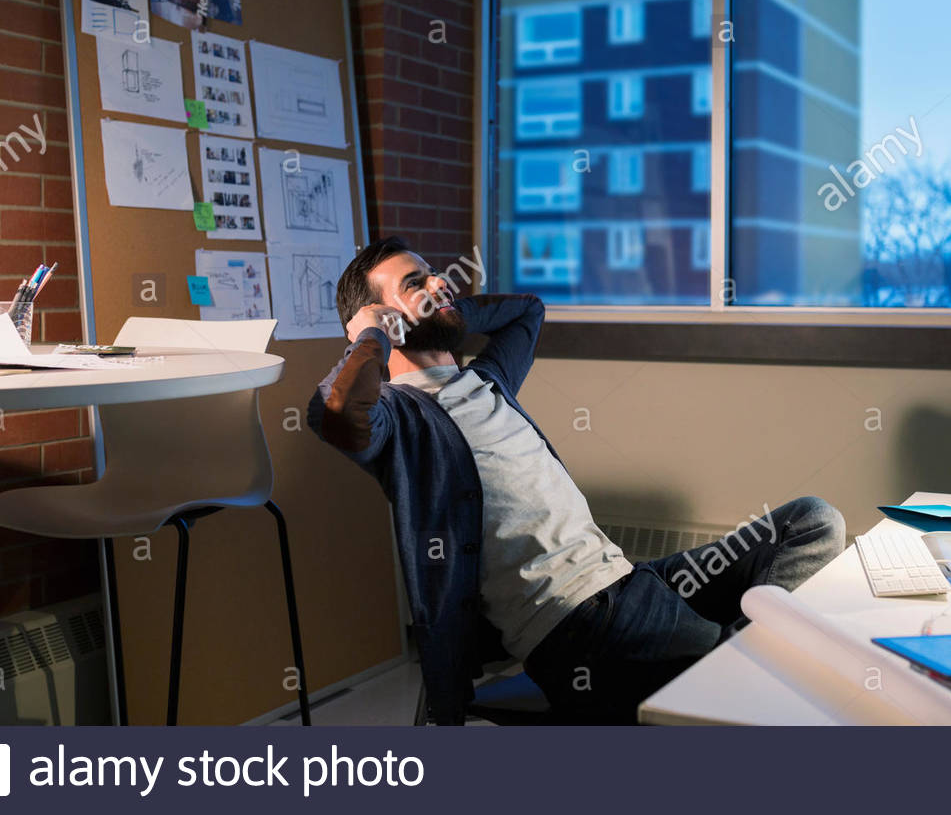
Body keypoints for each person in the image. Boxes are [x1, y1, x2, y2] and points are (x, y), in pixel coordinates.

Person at [307, 237, 845, 723]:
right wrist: (373, 337)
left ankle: (737, 664)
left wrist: (440, 306)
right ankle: (738, 675)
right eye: (414, 283)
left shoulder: (486, 380)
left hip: (630, 582)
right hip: (581, 623)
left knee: (811, 520)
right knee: (775, 688)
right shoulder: (400, 418)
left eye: (432, 273)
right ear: (376, 316)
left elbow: (527, 314)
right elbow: (334, 412)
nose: (437, 281)